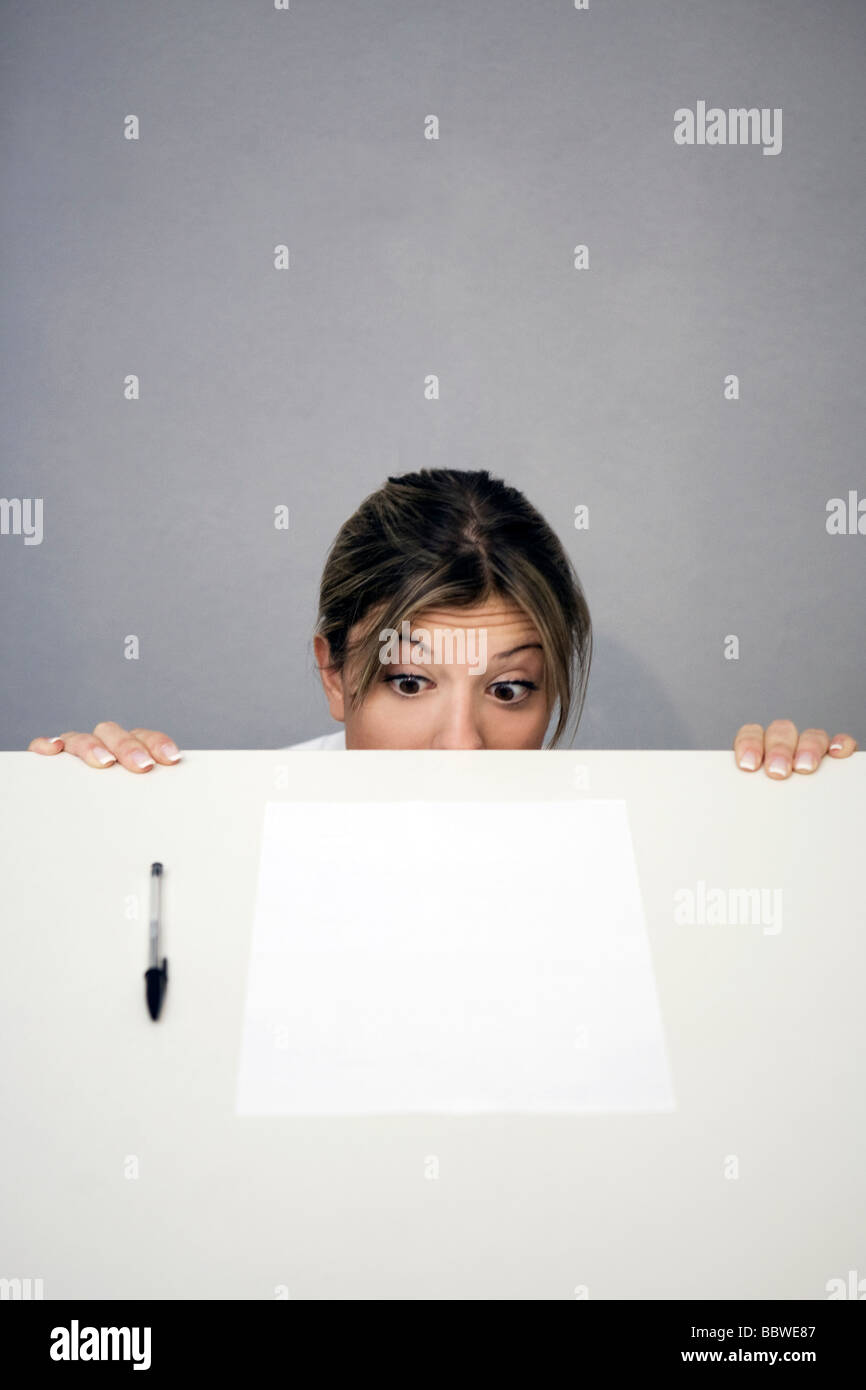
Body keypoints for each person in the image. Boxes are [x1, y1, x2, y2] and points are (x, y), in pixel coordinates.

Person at [28, 469, 857, 775]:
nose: (461, 744)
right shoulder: (228, 837)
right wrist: (84, 827)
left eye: (508, 688)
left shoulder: (630, 846)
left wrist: (796, 821)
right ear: (332, 675)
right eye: (411, 681)